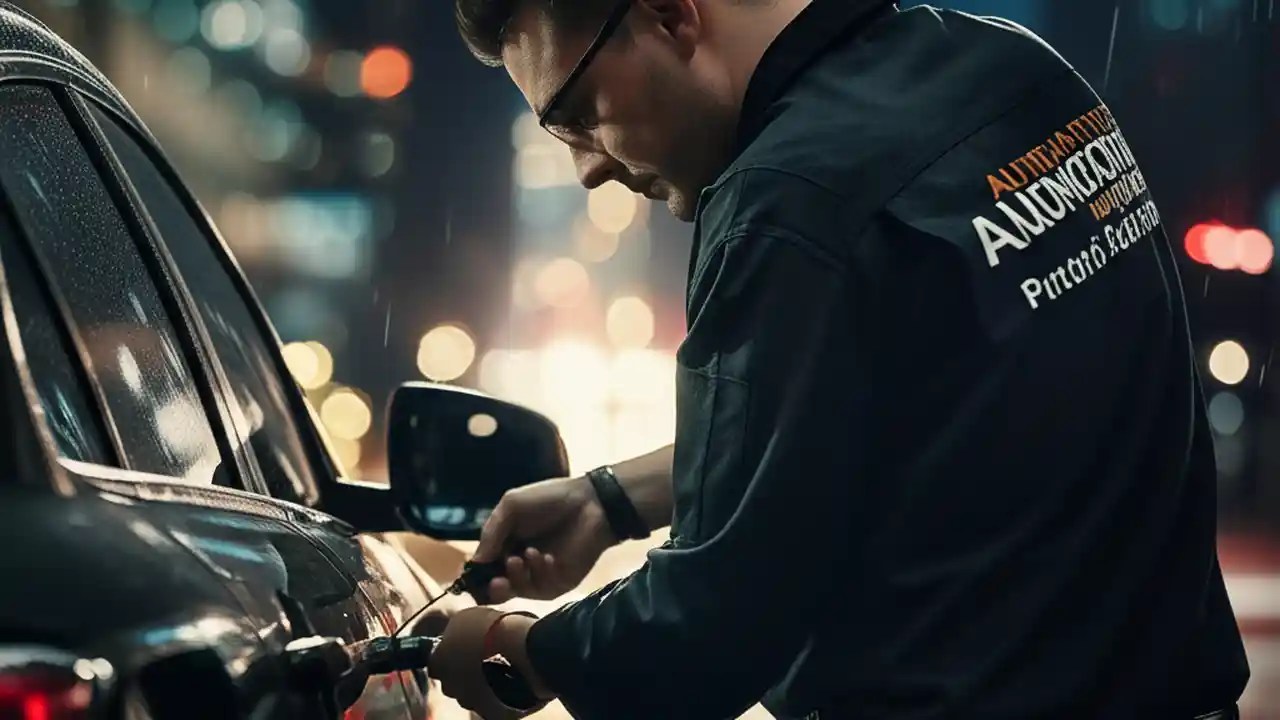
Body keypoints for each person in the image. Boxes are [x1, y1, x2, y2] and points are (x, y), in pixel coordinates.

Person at [429, 0, 1252, 718]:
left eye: (576, 115)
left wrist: (523, 648)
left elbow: (713, 628)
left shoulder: (787, 205)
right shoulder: (1015, 71)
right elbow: (946, 409)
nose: (588, 168)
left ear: (669, 10)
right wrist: (611, 500)